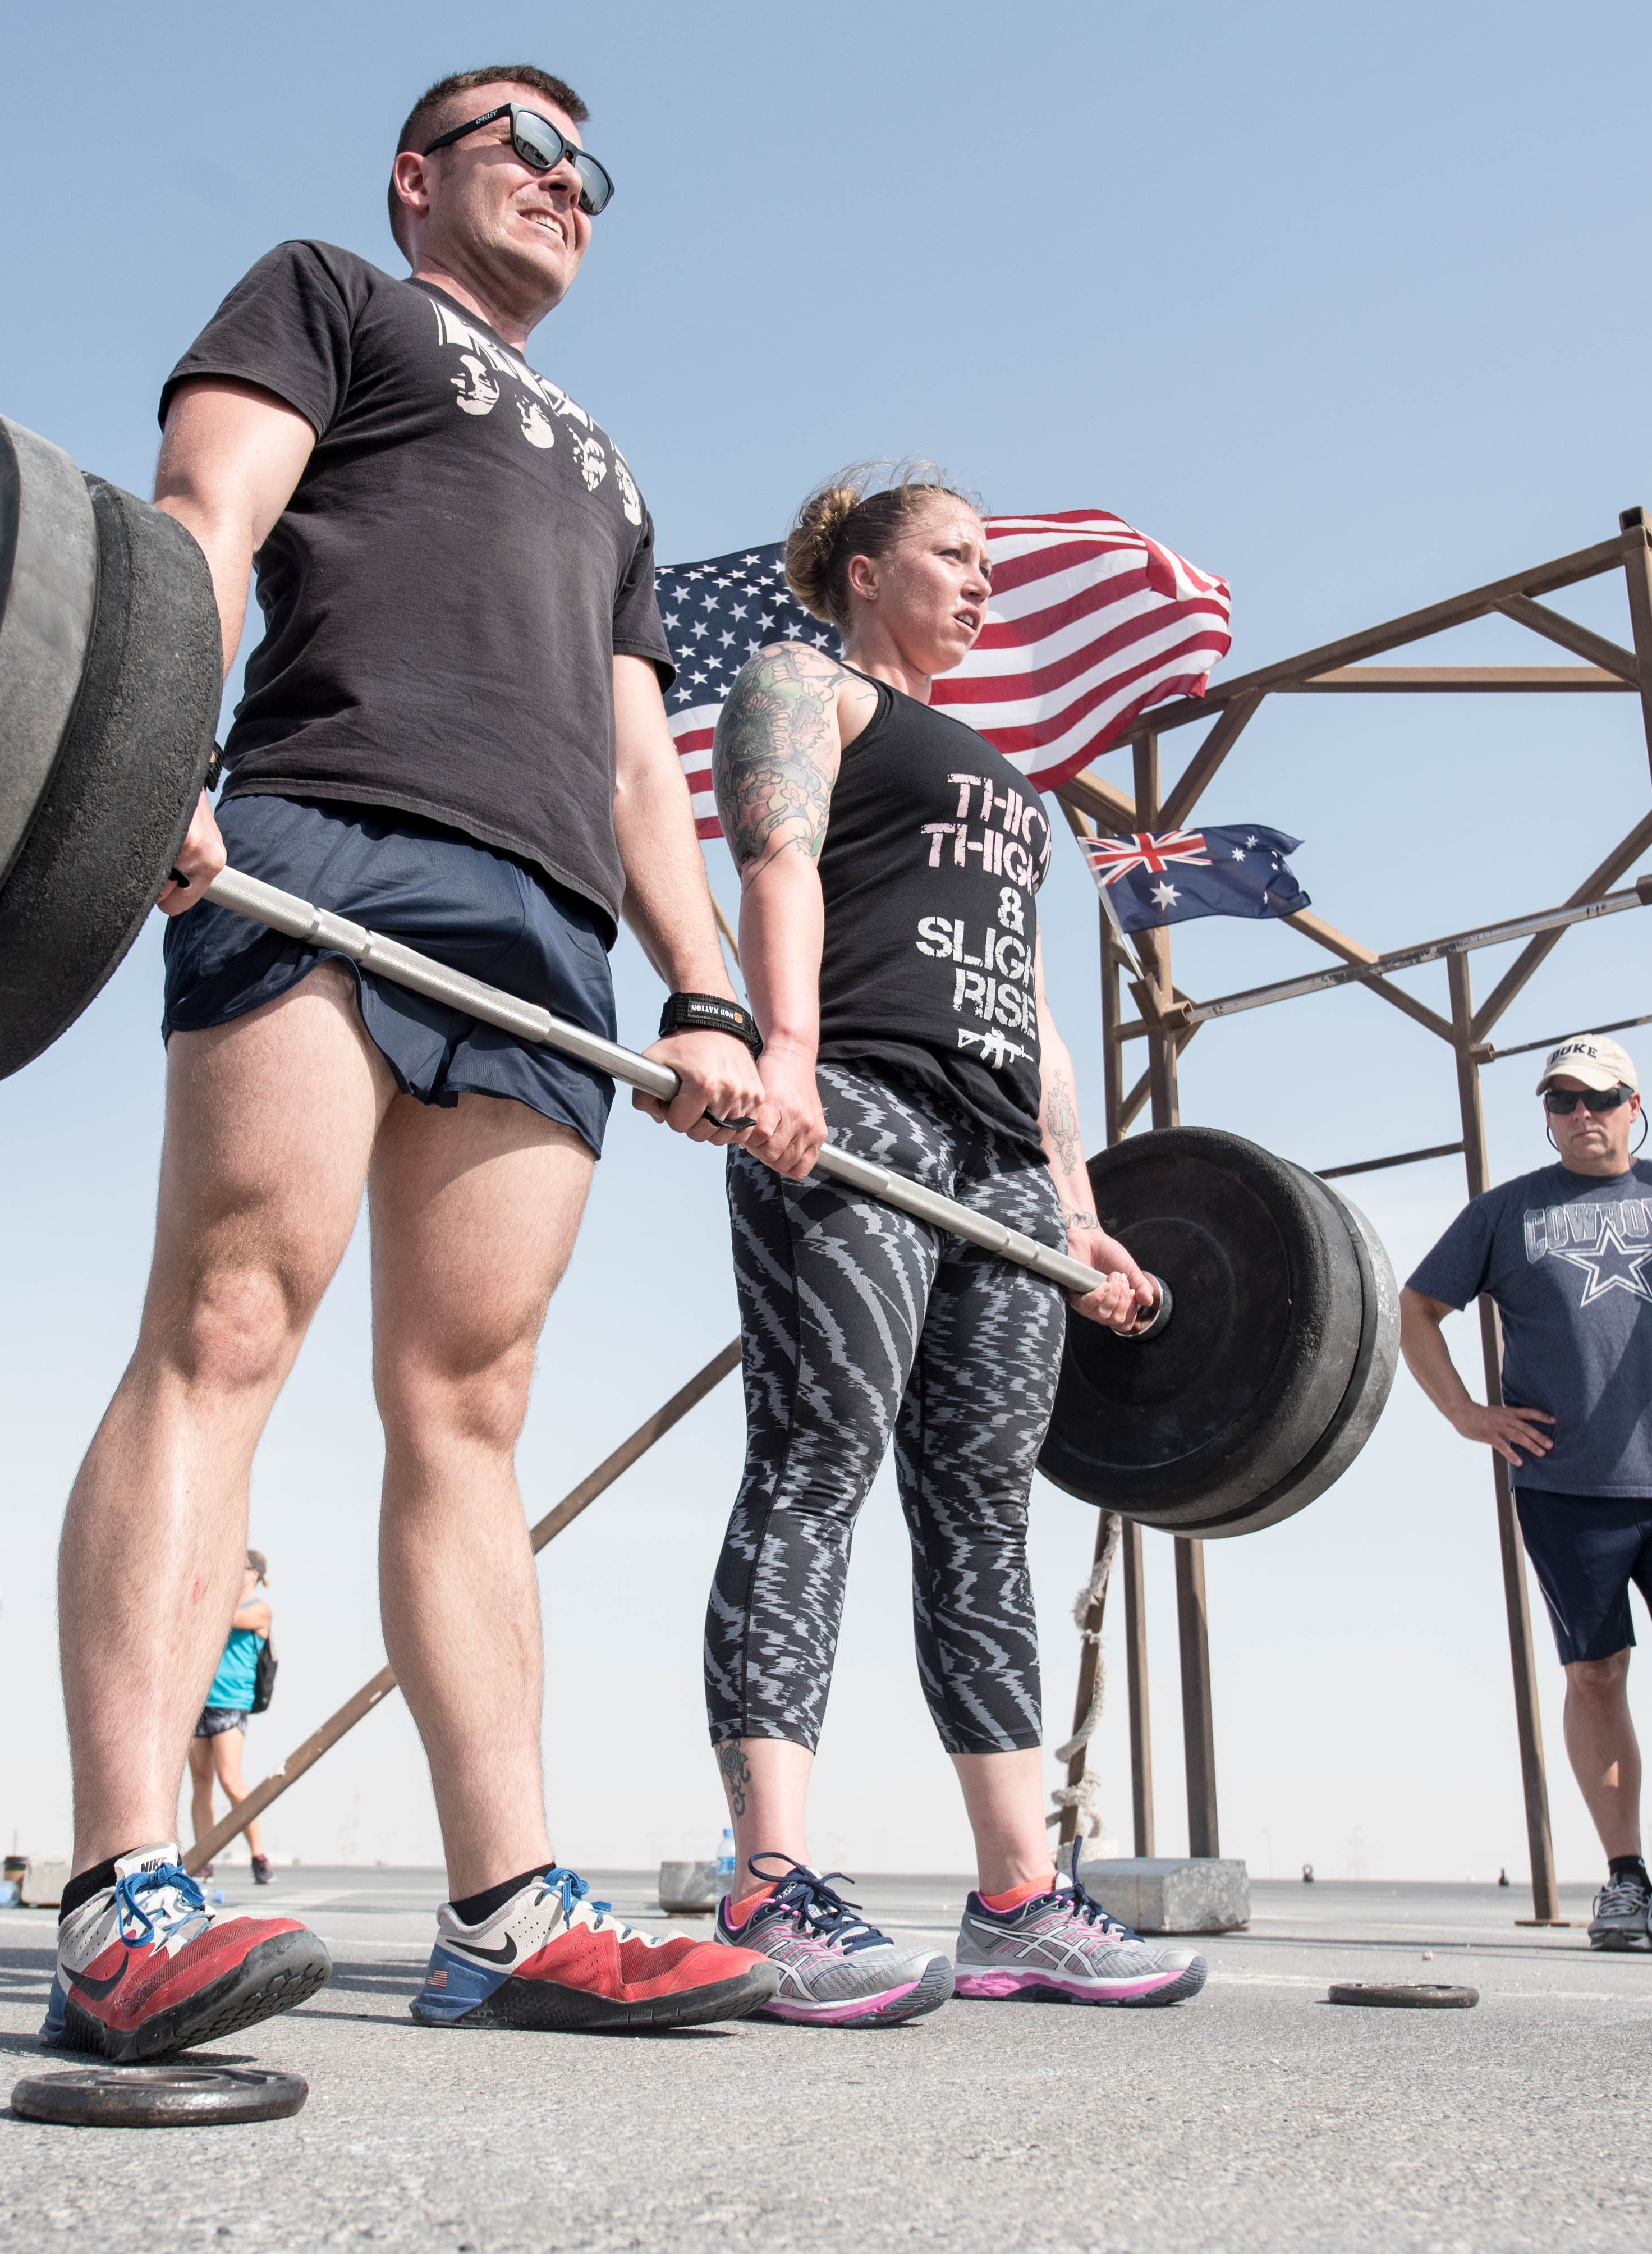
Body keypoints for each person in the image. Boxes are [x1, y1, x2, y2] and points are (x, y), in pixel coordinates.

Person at [45, 60, 778, 2063]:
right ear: (413, 180)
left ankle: (506, 1914)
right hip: (322, 830)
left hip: (541, 924)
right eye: (519, 146)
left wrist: (705, 997)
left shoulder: (612, 465)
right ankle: (121, 1894)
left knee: (468, 1402)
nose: (564, 180)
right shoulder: (328, 299)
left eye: (588, 164)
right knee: (225, 1317)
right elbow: (203, 513)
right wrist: (142, 757)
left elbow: (645, 757)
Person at [697, 468, 1199, 2024]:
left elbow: (1030, 1006)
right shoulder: (808, 686)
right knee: (814, 1461)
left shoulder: (1011, 780)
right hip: (856, 1104)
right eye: (954, 558)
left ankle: (1019, 1899)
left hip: (996, 1158)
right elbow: (770, 857)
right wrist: (782, 1054)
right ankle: (770, 1883)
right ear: (860, 570)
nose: (983, 585)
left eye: (990, 564)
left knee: (984, 1513)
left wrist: (1076, 1199)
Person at [1396, 1032, 1652, 1953]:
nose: (1582, 1115)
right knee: (1594, 1673)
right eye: (1562, 1101)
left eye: (1600, 1098)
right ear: (1546, 1116)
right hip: (1565, 1481)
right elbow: (1415, 1309)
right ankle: (1623, 1877)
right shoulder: (1506, 1212)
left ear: (1634, 1107)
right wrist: (1466, 1410)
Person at [186, 1553, 277, 1889]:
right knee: (201, 1784)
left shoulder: (259, 1610)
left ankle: (258, 1854)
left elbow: (226, 1618)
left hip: (232, 1703)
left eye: (242, 1567)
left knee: (230, 1780)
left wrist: (199, 1602)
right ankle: (203, 1860)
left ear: (255, 1575)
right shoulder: (216, 1608)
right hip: (199, 1702)